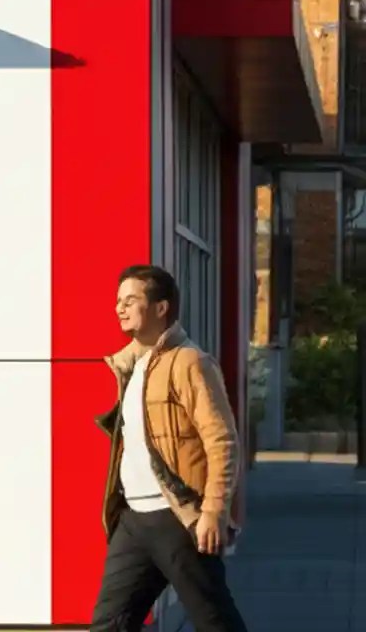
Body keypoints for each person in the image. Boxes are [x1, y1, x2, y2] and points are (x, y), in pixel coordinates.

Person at [90, 265, 249, 632]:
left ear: (161, 308)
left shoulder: (189, 362)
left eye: (131, 300)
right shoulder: (129, 365)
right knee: (108, 624)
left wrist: (213, 511)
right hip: (133, 520)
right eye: (117, 301)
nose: (119, 308)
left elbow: (222, 440)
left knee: (214, 620)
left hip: (176, 518)